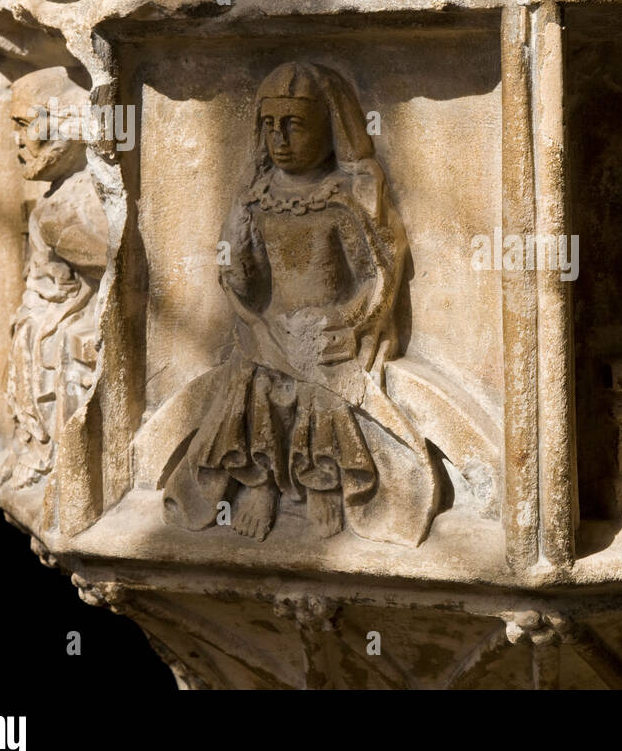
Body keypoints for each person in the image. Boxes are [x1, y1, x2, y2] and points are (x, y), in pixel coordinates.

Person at [163, 62, 438, 545]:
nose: (280, 138)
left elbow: (374, 277)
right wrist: (239, 277)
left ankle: (322, 482)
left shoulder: (341, 200)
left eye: (294, 124)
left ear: (330, 128)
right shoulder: (257, 198)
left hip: (327, 326)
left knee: (319, 386)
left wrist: (349, 321)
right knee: (255, 382)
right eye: (269, 126)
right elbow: (238, 277)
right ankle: (261, 483)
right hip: (269, 324)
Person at [2, 67, 108, 489]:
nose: (17, 142)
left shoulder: (60, 211)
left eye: (24, 125)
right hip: (39, 328)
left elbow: (125, 267)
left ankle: (50, 461)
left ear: (66, 126)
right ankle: (40, 453)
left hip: (54, 334)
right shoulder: (65, 194)